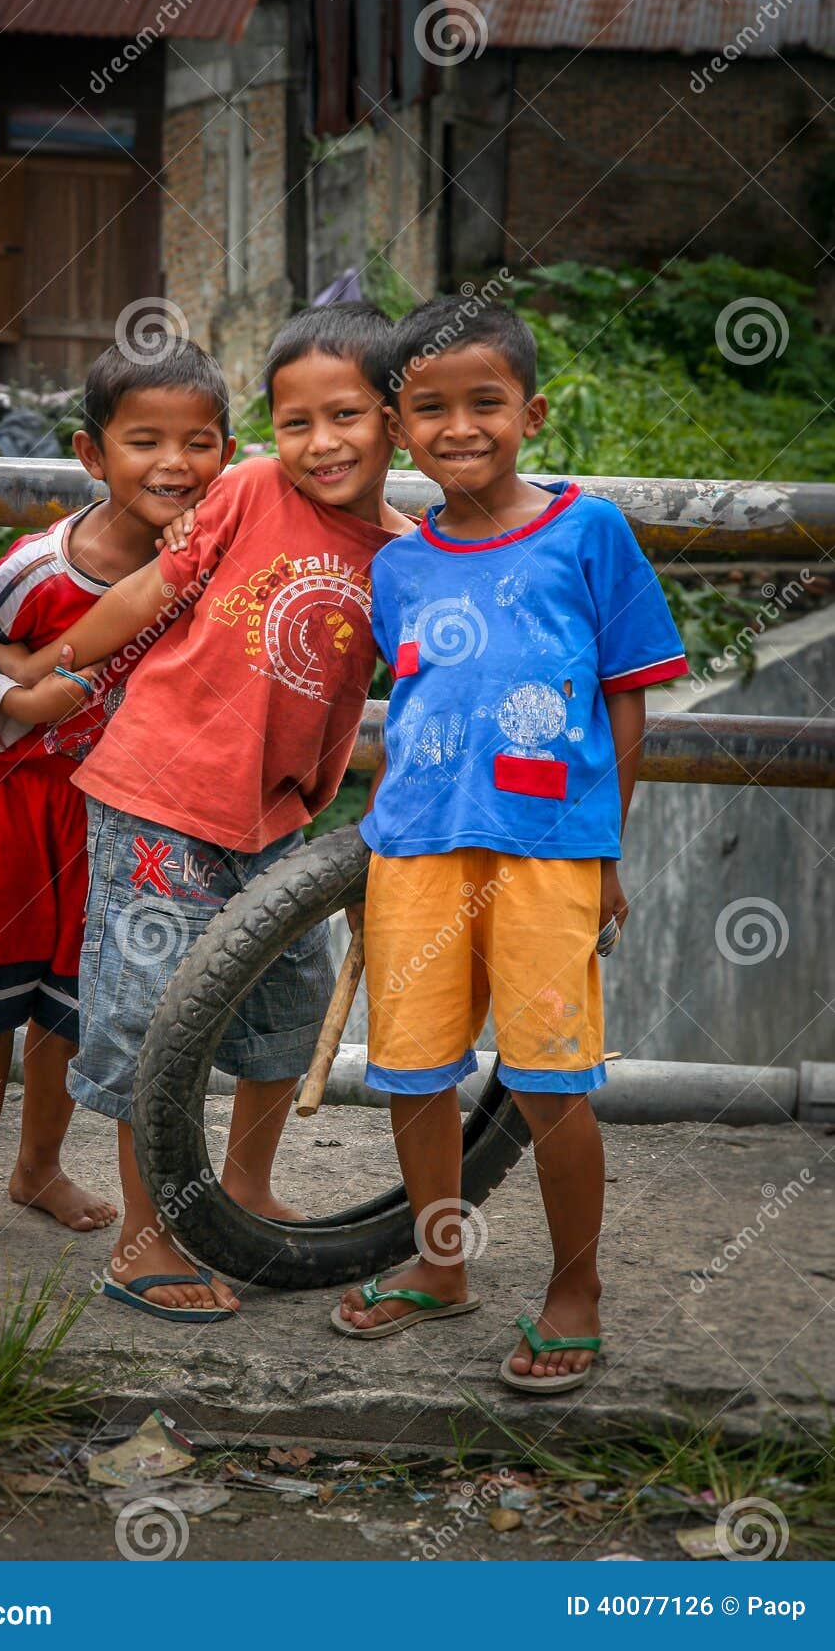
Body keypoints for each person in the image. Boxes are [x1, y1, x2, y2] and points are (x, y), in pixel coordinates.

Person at [0, 303, 413, 1320]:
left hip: (276, 825)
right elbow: (144, 595)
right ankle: (144, 1236)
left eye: (344, 416)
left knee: (284, 1011)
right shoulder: (250, 488)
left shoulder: (406, 557)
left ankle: (246, 1194)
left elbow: (431, 692)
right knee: (149, 1021)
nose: (319, 443)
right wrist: (52, 664)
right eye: (294, 421)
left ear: (394, 420)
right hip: (158, 798)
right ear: (267, 433)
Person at [333, 296, 687, 1395]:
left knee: (547, 1081)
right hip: (416, 849)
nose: (459, 427)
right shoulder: (399, 564)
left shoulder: (588, 531)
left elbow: (625, 700)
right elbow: (410, 707)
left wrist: (605, 852)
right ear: (398, 425)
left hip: (544, 850)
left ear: (528, 411)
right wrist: (368, 844)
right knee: (413, 1071)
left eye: (484, 402)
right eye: (429, 408)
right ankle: (440, 1266)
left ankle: (572, 1288)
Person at [0, 340, 234, 1254]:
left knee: (71, 1004)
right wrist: (21, 697)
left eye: (199, 442)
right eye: (145, 440)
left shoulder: (210, 567)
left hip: (121, 822)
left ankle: (37, 1165)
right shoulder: (39, 567)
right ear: (93, 455)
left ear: (229, 455)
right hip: (12, 813)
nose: (174, 462)